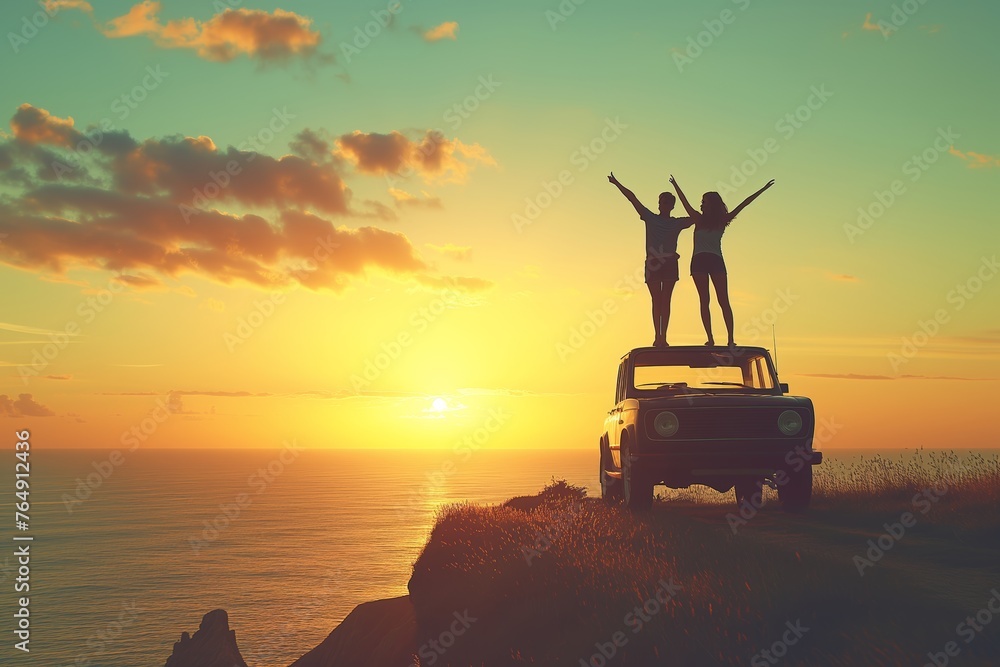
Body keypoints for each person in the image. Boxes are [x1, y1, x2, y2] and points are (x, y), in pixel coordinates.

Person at [669, 175, 775, 347]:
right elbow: (684, 202)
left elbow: (745, 203)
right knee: (704, 300)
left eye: (705, 201)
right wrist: (675, 185)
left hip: (716, 260)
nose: (701, 203)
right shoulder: (697, 218)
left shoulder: (722, 220)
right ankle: (710, 338)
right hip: (699, 261)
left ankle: (731, 339)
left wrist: (763, 189)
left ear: (712, 203)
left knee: (723, 300)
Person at [608, 172, 694, 346]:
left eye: (667, 203)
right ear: (659, 203)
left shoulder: (677, 222)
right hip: (653, 263)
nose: (664, 205)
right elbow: (633, 199)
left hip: (669, 263)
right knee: (657, 300)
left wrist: (677, 187)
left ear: (671, 206)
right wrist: (617, 183)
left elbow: (695, 216)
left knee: (666, 300)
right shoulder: (650, 217)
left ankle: (664, 336)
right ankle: (658, 336)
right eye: (662, 202)